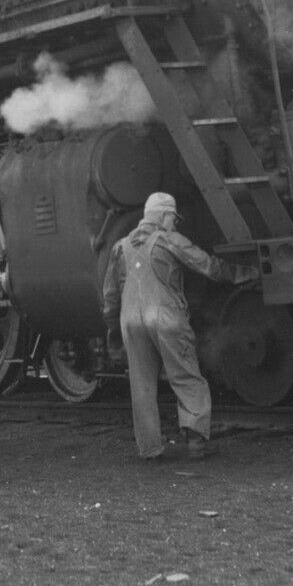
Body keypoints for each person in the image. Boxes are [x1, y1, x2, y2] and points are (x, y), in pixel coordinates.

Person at [101, 193, 231, 461]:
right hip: (165, 318)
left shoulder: (121, 247)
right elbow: (207, 266)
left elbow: (110, 298)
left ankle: (150, 449)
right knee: (186, 377)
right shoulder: (169, 240)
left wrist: (114, 332)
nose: (175, 222)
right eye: (173, 217)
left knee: (142, 386)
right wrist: (243, 272)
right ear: (162, 216)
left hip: (130, 322)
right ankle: (196, 444)